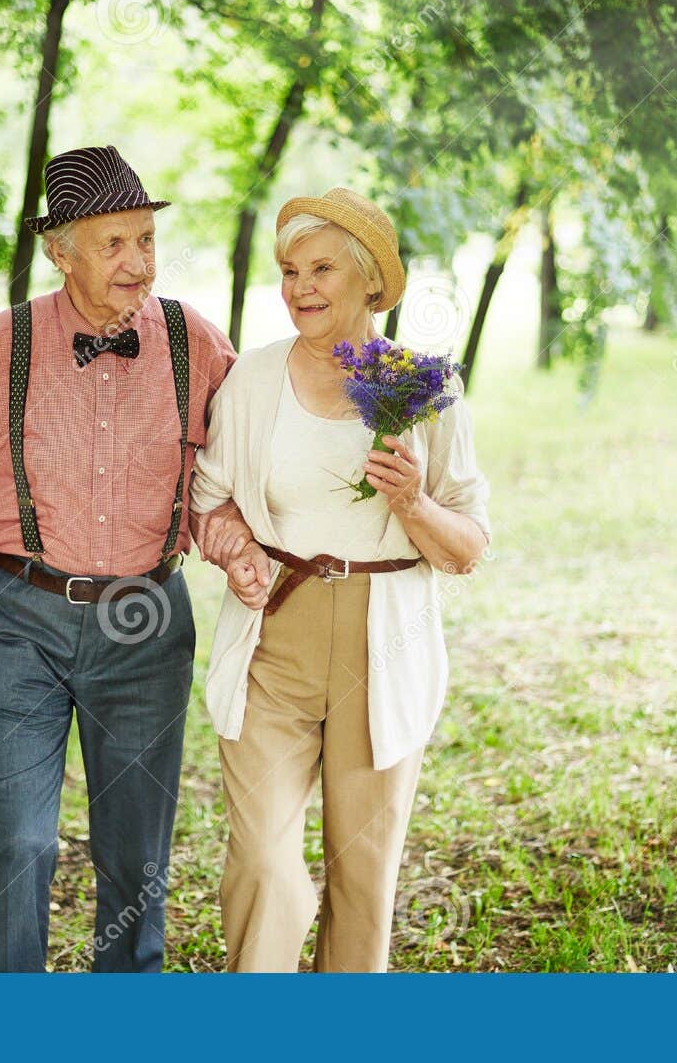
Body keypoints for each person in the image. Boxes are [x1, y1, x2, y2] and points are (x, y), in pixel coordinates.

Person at [0, 145, 250, 971]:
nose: (137, 262)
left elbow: (244, 463)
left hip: (147, 620)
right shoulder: (3, 342)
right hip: (18, 617)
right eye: (114, 243)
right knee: (21, 840)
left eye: (147, 240)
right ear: (62, 250)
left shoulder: (194, 341)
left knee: (135, 856)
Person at [189, 187, 491, 971]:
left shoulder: (420, 386)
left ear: (369, 282)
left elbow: (467, 548)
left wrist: (413, 501)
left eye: (322, 268)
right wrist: (229, 544)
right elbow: (208, 498)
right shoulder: (252, 380)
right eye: (291, 270)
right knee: (263, 863)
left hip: (382, 643)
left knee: (363, 881)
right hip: (276, 636)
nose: (301, 287)